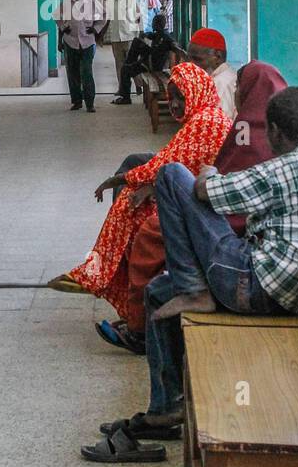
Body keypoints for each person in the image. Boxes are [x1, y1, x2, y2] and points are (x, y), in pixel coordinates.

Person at [81, 86, 298, 461]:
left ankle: (194, 288)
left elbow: (204, 192)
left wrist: (209, 173)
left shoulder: (277, 170)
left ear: (274, 131)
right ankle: (166, 408)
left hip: (253, 286)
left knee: (170, 176)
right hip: (282, 290)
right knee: (161, 291)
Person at [96, 59, 287, 351]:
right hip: (247, 237)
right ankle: (140, 320)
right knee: (151, 189)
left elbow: (222, 190)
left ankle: (141, 328)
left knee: (153, 229)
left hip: (240, 245)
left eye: (239, 88)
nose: (234, 95)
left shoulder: (248, 132)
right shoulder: (264, 128)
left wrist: (201, 184)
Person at [45, 63, 231, 313]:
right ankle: (105, 278)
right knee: (132, 180)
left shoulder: (207, 121)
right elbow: (172, 159)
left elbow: (172, 165)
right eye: (171, 97)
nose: (174, 104)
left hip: (203, 204)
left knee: (131, 207)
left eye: (180, 97)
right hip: (195, 191)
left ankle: (106, 282)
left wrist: (126, 180)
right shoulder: (203, 116)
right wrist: (134, 179)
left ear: (196, 91)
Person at [57, 0, 106, 113]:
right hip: (70, 42)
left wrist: (96, 29)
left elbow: (104, 15)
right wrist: (62, 30)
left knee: (86, 71)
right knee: (72, 73)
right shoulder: (66, 4)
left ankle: (90, 102)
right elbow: (57, 18)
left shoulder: (91, 2)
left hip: (87, 42)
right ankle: (77, 101)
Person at [111, 13, 182, 105]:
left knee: (133, 50)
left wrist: (175, 46)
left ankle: (125, 97)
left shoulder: (165, 36)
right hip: (149, 61)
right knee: (126, 67)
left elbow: (173, 43)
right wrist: (145, 34)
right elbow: (150, 35)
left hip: (154, 66)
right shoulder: (158, 34)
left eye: (155, 23)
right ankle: (125, 95)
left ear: (159, 24)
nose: (153, 25)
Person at [102, 0, 143, 92]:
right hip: (116, 38)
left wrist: (138, 32)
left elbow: (139, 15)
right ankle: (122, 88)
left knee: (132, 62)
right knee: (119, 64)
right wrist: (102, 35)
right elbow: (107, 19)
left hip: (129, 37)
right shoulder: (110, 1)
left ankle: (138, 85)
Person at [187, 26, 238, 118]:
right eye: (189, 59)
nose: (192, 65)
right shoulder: (223, 75)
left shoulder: (221, 84)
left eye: (197, 59)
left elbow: (219, 127)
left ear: (217, 57)